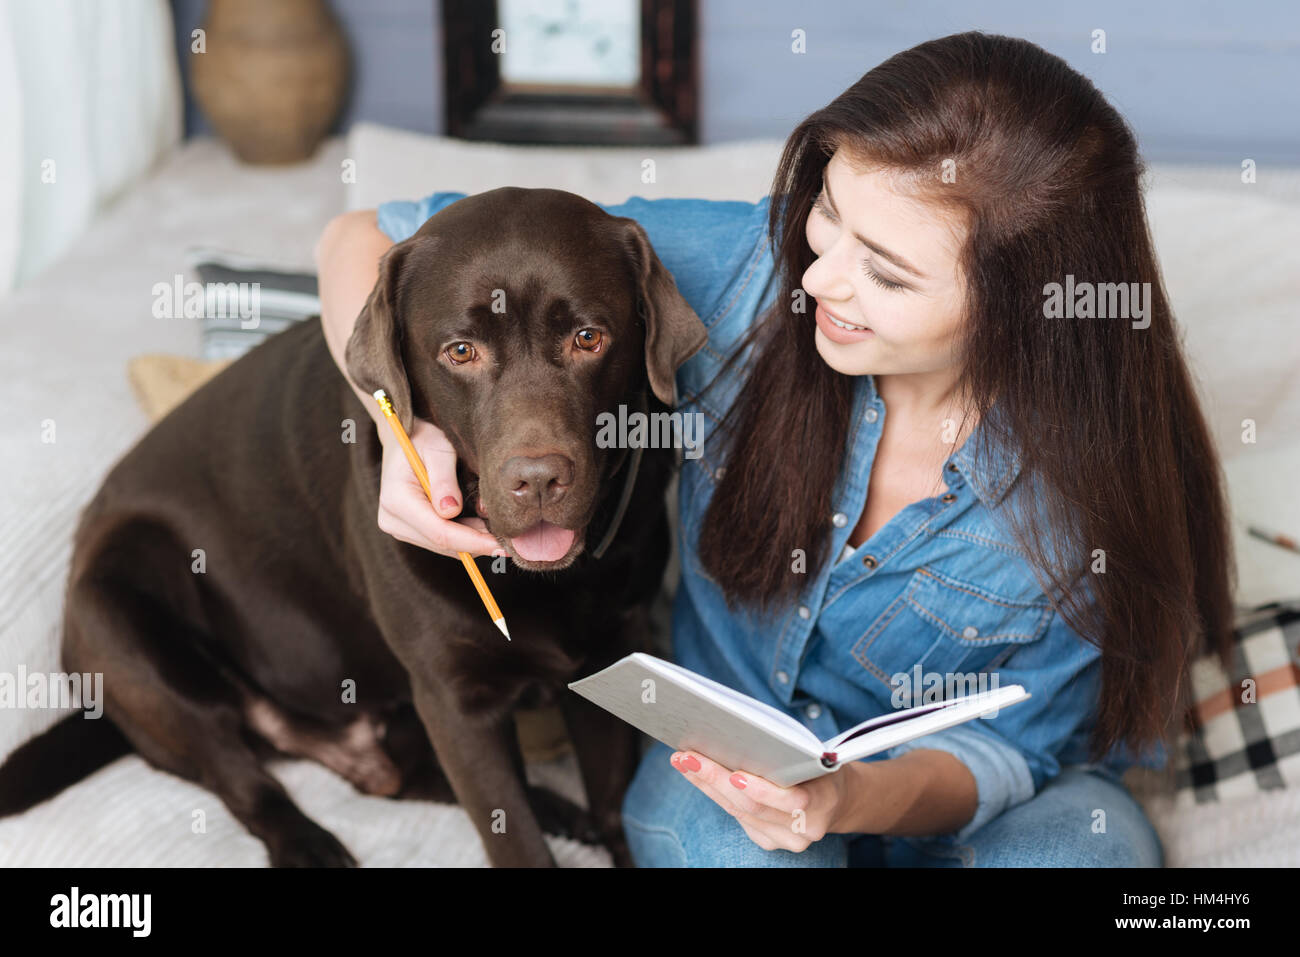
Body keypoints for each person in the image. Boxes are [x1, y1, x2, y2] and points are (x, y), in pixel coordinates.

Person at [314, 32, 1235, 867]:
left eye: (887, 270)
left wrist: (852, 798)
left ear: (1018, 312)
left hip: (953, 797)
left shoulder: (1089, 493)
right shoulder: (753, 277)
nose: (823, 274)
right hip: (726, 769)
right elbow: (362, 237)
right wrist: (403, 430)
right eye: (829, 210)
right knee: (751, 853)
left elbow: (1019, 749)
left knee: (1084, 854)